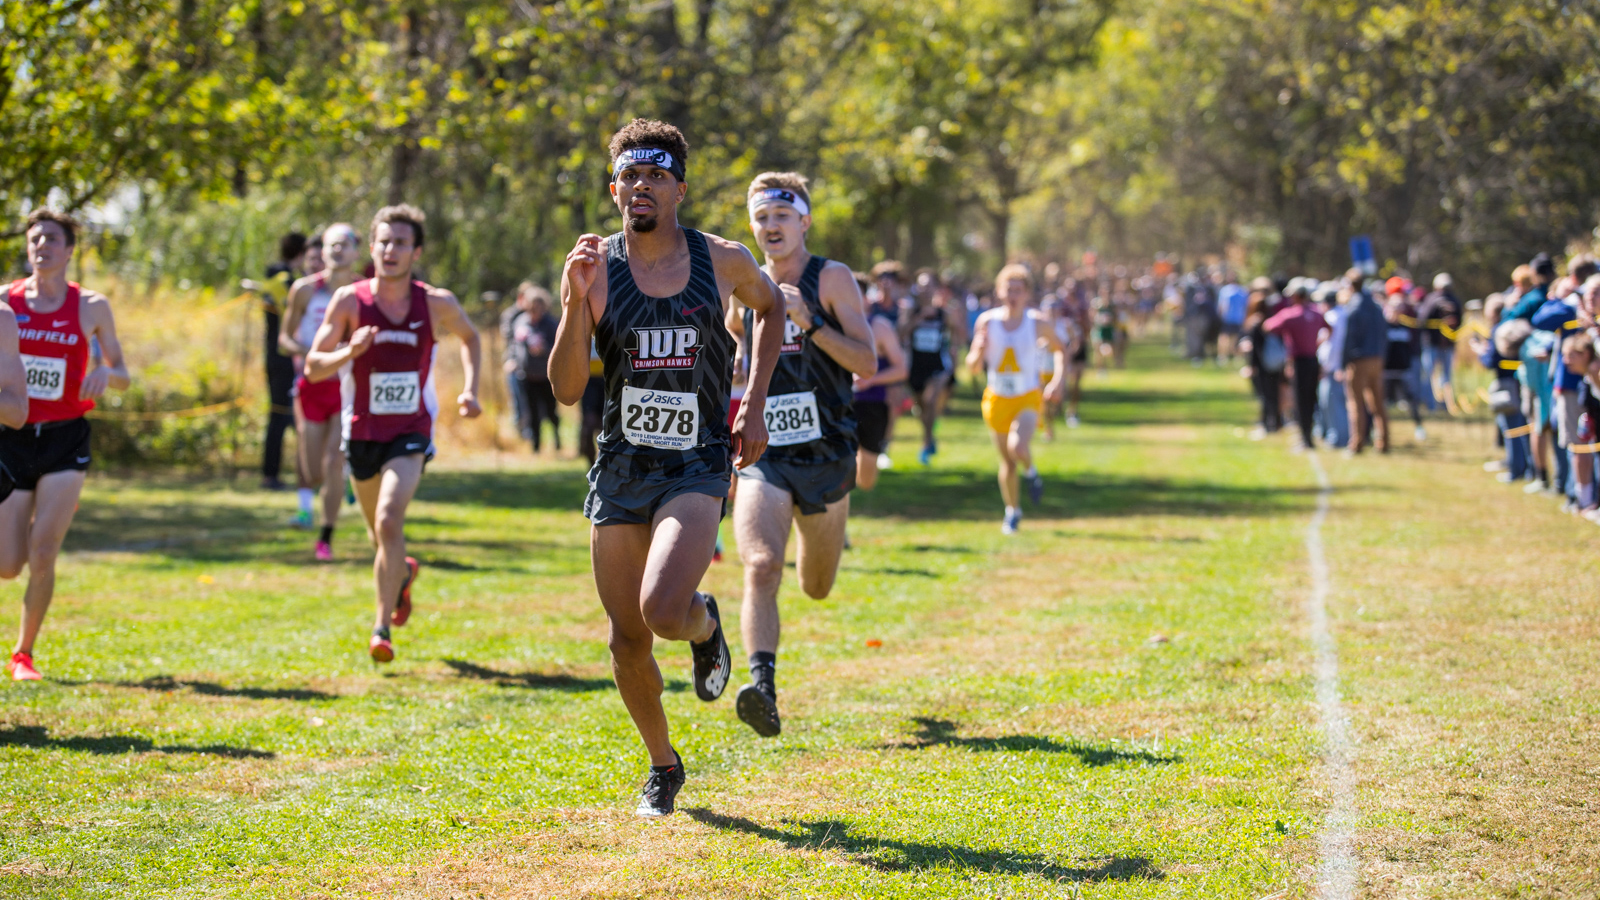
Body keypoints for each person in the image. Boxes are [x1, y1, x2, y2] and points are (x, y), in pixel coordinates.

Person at [547, 119, 784, 817]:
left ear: (679, 188)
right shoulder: (594, 268)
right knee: (627, 640)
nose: (641, 186)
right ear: (613, 189)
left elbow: (771, 310)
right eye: (629, 175)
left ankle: (703, 626)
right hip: (621, 467)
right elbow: (566, 389)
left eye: (655, 174)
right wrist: (573, 302)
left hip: (696, 463)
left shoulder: (724, 260)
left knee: (661, 609)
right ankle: (663, 764)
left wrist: (754, 404)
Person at [724, 172, 877, 738]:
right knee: (761, 566)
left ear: (804, 221)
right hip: (765, 450)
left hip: (828, 451)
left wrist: (809, 323)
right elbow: (734, 351)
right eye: (762, 217)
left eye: (782, 216)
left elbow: (867, 363)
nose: (771, 227)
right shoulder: (745, 286)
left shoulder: (831, 278)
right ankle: (762, 687)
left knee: (816, 585)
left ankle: (822, 541)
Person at [304, 204, 482, 664]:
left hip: (410, 430)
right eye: (384, 241)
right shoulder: (349, 301)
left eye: (401, 243)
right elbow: (313, 367)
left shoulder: (436, 302)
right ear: (372, 247)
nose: (391, 250)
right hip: (362, 431)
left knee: (388, 520)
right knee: (378, 535)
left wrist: (470, 389)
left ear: (415, 252)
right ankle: (401, 573)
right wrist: (349, 351)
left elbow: (470, 337)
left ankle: (380, 627)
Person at [1, 210, 130, 681]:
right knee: (8, 564)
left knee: (43, 551)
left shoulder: (91, 306)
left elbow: (123, 373)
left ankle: (24, 654)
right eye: (35, 239)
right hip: (12, 439)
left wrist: (105, 373)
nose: (42, 246)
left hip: (65, 438)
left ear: (70, 250)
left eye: (52, 239)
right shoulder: (5, 302)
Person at [966, 264, 1067, 534]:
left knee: (1018, 447)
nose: (1013, 295)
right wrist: (977, 352)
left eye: (1018, 290)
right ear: (999, 291)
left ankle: (1032, 473)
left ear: (1027, 294)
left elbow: (1060, 349)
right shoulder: (987, 322)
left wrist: (1058, 379)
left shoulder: (1037, 323)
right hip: (997, 397)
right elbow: (972, 367)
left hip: (1027, 396)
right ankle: (1012, 512)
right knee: (1008, 463)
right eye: (1008, 289)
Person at [279, 225, 360, 560]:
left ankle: (325, 537)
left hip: (347, 385)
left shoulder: (364, 291)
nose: (338, 250)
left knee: (333, 461)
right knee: (313, 470)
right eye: (332, 245)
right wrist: (311, 352)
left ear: (357, 251)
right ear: (321, 251)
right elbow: (284, 339)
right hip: (311, 384)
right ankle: (341, 479)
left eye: (344, 245)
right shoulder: (304, 290)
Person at [258, 232, 307, 490]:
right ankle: (271, 475)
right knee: (280, 416)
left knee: (284, 416)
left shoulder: (273, 279)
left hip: (275, 357)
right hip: (284, 359)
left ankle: (280, 473)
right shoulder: (287, 283)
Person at [852, 271, 908, 492]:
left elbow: (901, 369)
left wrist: (872, 380)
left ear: (866, 298)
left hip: (871, 405)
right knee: (836, 467)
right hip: (837, 404)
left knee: (866, 478)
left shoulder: (879, 327)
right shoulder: (827, 326)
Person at [1264, 278, 1330, 450]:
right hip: (1313, 360)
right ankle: (1309, 436)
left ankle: (1305, 438)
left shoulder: (1291, 314)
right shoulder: (1316, 312)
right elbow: (1329, 329)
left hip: (1299, 362)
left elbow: (1268, 326)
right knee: (1311, 399)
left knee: (1300, 401)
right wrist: (1316, 343)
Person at [901, 274, 958, 466]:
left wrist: (954, 356)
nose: (925, 290)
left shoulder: (943, 313)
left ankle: (926, 443)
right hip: (916, 366)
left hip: (938, 365)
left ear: (935, 288)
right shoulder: (911, 311)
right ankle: (930, 436)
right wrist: (917, 319)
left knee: (931, 400)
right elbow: (900, 333)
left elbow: (955, 334)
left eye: (929, 286)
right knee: (921, 408)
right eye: (921, 286)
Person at [1333, 269, 1390, 455]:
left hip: (1359, 361)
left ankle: (1356, 444)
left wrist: (1342, 364)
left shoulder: (1353, 307)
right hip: (1377, 359)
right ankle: (1383, 442)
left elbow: (1348, 339)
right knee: (1377, 402)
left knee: (1356, 404)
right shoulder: (1376, 306)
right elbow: (1383, 334)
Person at [511, 283, 562, 454]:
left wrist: (544, 349)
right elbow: (514, 345)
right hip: (526, 375)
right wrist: (513, 360)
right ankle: (536, 446)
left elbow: (559, 347)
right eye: (532, 306)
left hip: (546, 376)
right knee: (531, 412)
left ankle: (557, 440)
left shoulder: (550, 324)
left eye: (538, 306)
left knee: (550, 411)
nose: (535, 310)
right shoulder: (520, 322)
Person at [1240, 278, 1284, 438]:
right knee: (1274, 394)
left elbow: (1256, 348)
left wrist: (1252, 366)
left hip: (1263, 365)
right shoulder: (1271, 320)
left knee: (1265, 395)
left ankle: (1267, 424)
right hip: (1275, 362)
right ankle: (1276, 422)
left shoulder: (1256, 323)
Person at [1418, 273, 1462, 414]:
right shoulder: (1433, 299)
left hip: (1445, 344)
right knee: (1432, 374)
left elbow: (1459, 321)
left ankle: (1444, 405)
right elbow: (1423, 320)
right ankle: (1432, 405)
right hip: (1433, 343)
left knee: (1443, 376)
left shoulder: (1452, 300)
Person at [1217, 272, 1248, 363]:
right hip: (1238, 318)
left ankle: (1223, 356)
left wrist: (1220, 316)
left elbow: (1221, 306)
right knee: (1234, 338)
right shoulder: (1242, 291)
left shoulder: (1225, 290)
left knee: (1225, 338)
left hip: (1228, 318)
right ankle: (1234, 356)